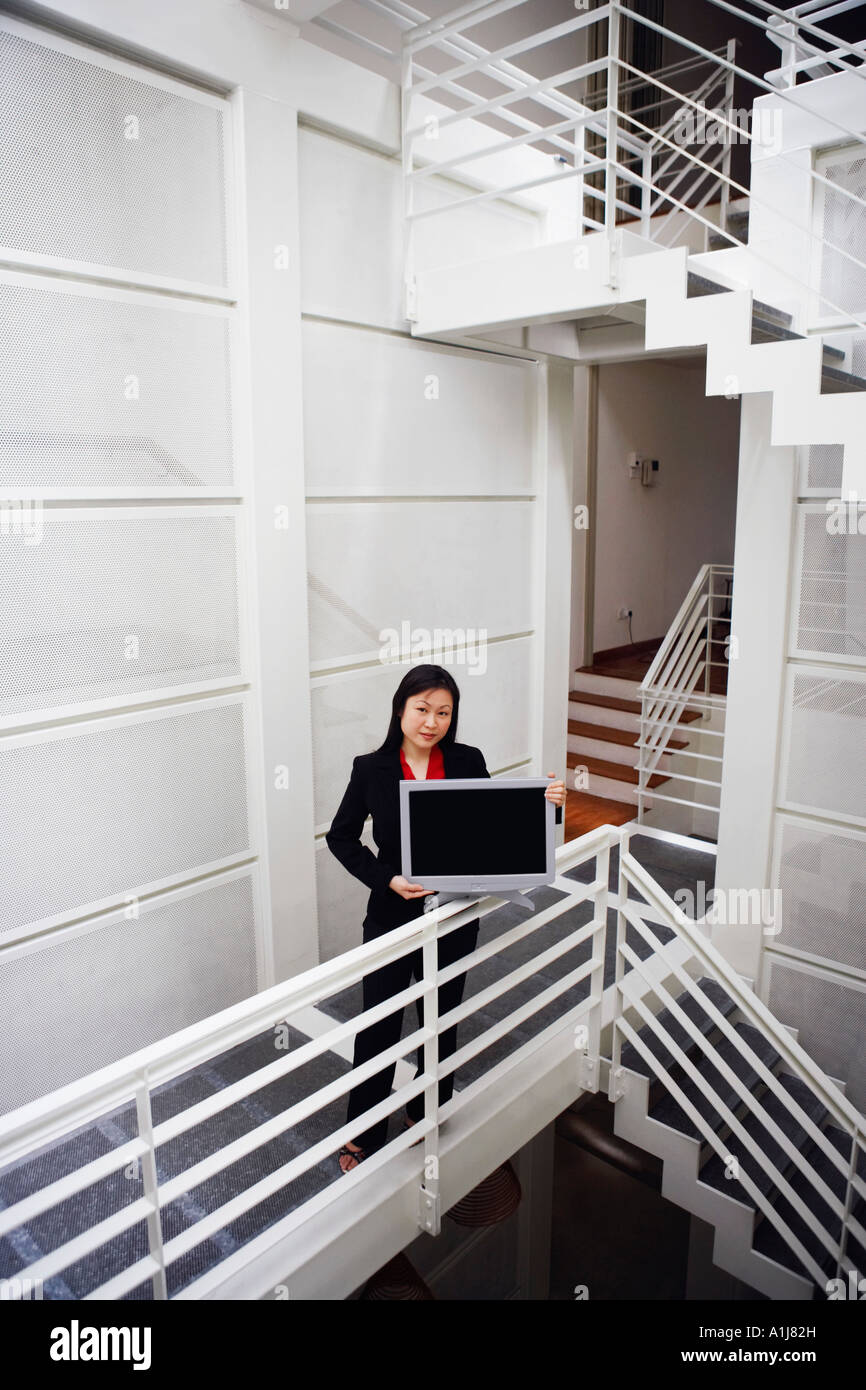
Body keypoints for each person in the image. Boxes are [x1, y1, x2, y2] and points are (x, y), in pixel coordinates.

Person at [325, 663, 566, 1173]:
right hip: (392, 915)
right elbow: (341, 837)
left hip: (455, 914)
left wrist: (548, 808)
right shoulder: (371, 769)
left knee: (440, 1019)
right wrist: (386, 878)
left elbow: (492, 826)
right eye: (422, 710)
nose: (431, 722)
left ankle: (424, 1111)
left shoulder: (466, 760)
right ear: (400, 709)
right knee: (379, 1026)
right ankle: (363, 1131)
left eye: (443, 712)